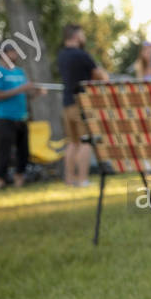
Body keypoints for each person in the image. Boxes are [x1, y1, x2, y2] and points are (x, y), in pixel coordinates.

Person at [56, 24, 108, 187]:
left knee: (72, 143)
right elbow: (101, 76)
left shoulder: (61, 56)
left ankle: (69, 180)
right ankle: (83, 179)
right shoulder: (82, 55)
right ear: (76, 36)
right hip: (82, 104)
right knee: (86, 142)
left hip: (66, 104)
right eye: (82, 34)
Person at [0, 42, 42, 189]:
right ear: (4, 54)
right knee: (4, 150)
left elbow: (25, 94)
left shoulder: (19, 72)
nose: (15, 55)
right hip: (6, 117)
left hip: (22, 117)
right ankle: (0, 180)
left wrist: (35, 92)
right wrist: (21, 89)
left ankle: (20, 179)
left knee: (23, 150)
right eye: (12, 52)